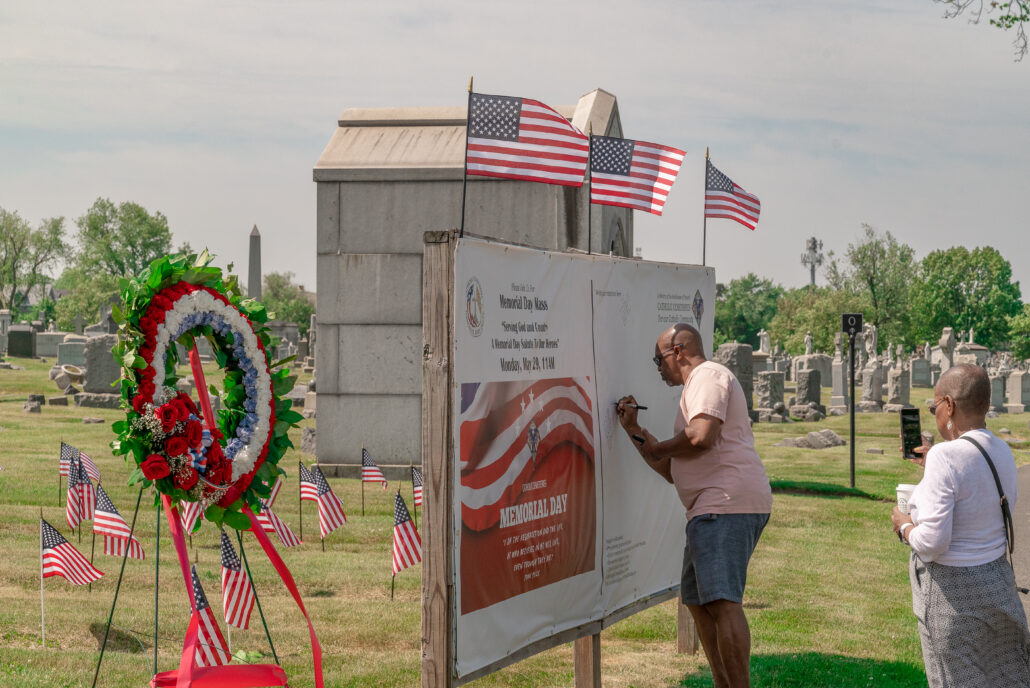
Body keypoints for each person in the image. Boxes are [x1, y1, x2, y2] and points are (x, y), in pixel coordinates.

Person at [616, 323, 772, 688]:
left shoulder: (708, 375)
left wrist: (659, 446)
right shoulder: (694, 388)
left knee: (720, 602)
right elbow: (671, 470)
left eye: (659, 359)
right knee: (698, 603)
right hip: (710, 509)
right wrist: (634, 431)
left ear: (680, 351)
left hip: (725, 504)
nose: (657, 367)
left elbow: (700, 437)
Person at [891, 364, 1030, 687]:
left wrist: (903, 526)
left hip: (953, 595)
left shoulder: (946, 456)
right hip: (997, 582)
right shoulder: (1002, 450)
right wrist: (931, 464)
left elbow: (932, 542)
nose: (934, 413)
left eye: (934, 406)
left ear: (949, 405)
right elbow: (976, 493)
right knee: (1004, 675)